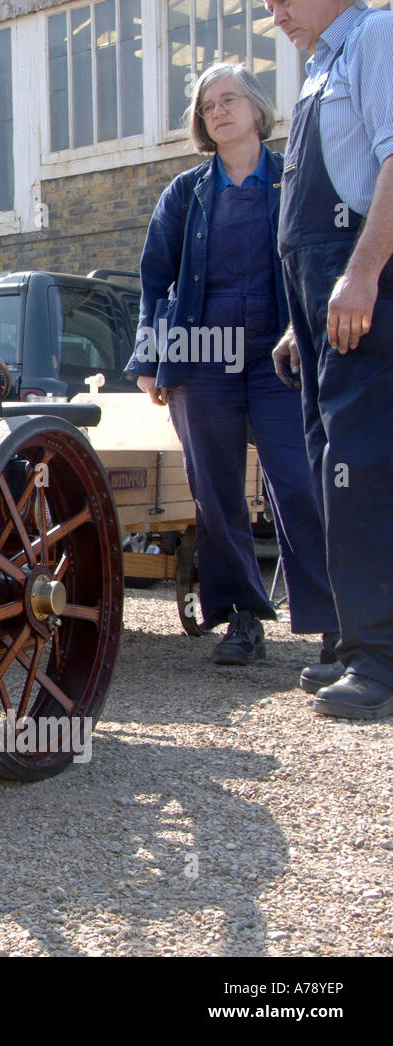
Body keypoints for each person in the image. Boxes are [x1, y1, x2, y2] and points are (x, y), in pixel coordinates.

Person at [124, 63, 337, 668]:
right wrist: (152, 355)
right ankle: (242, 618)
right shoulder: (186, 192)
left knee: (298, 483)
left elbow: (313, 259)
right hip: (202, 357)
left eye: (230, 99)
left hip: (279, 357)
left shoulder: (292, 181)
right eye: (207, 105)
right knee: (216, 493)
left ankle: (330, 628)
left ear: (257, 109)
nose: (218, 111)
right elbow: (153, 279)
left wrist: (307, 330)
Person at [267, 0, 393, 720]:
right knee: (330, 467)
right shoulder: (319, 67)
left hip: (357, 286)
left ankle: (380, 660)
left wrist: (365, 271)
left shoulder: (377, 36)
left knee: (363, 468)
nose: (273, 9)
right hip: (313, 296)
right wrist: (296, 320)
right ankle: (355, 643)